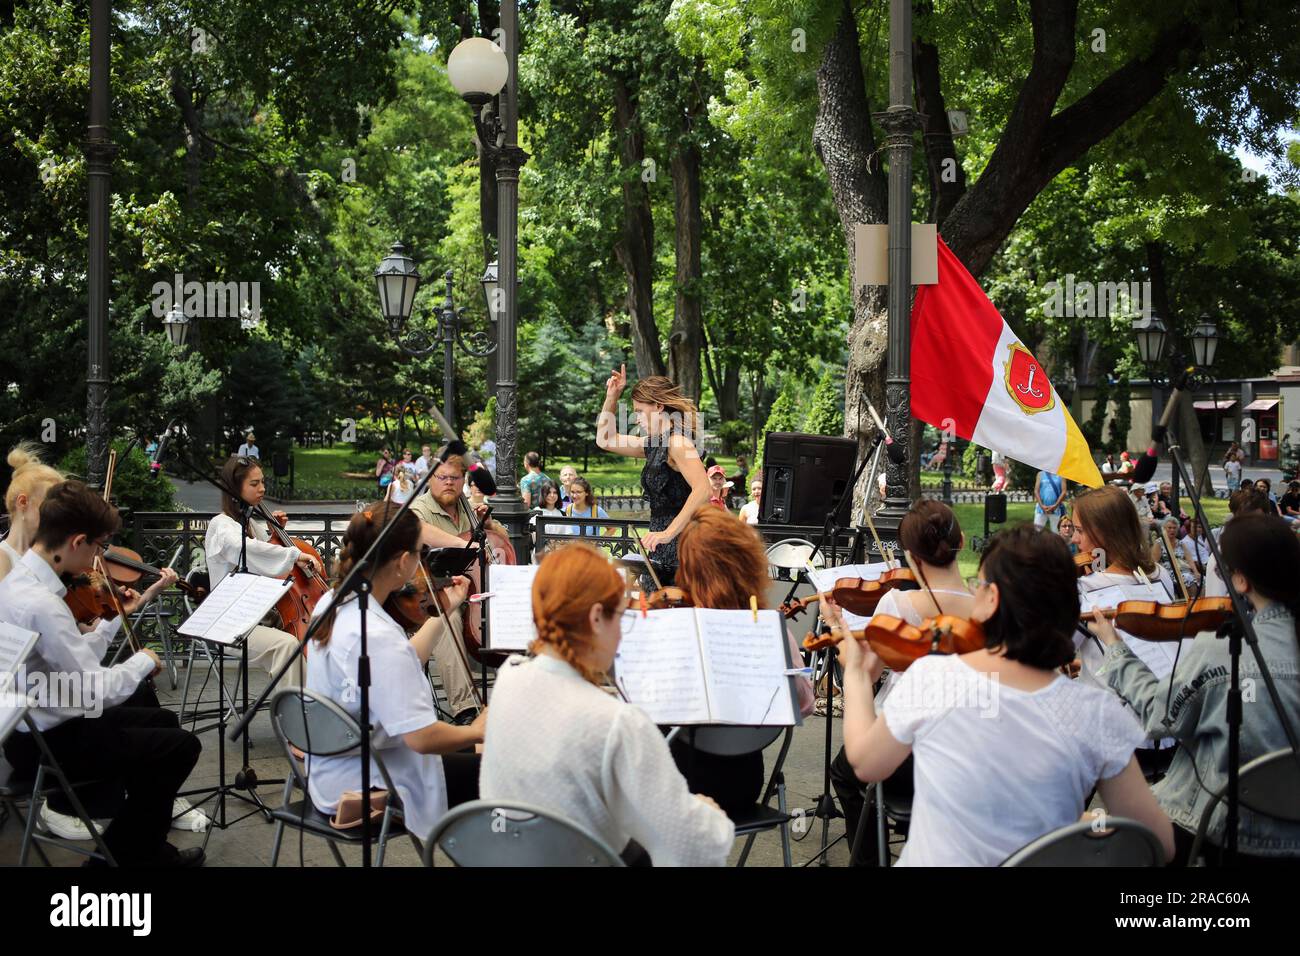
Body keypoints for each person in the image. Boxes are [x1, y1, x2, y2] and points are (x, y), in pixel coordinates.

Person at [833, 523, 1173, 866]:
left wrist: (858, 676)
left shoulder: (935, 678)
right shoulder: (1096, 711)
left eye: (978, 585)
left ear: (992, 599)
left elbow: (865, 763)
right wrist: (1081, 827)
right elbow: (1156, 841)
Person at [478, 543, 735, 865]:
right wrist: (712, 820)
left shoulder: (508, 677)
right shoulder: (617, 722)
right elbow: (688, 845)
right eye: (621, 617)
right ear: (597, 617)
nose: (622, 634)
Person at [0, 480, 204, 867]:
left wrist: (114, 620)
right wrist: (143, 660)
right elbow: (94, 688)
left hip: (31, 729)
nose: (99, 558)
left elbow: (71, 656)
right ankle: (120, 857)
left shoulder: (17, 584)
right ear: (77, 541)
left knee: (162, 721)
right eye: (98, 546)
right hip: (51, 743)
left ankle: (146, 843)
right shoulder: (43, 604)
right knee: (181, 747)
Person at [1095, 512, 1300, 865]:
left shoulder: (1220, 651)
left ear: (1241, 581)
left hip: (1216, 829)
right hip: (1292, 835)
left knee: (1100, 829)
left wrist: (1114, 648)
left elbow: (1161, 717)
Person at [305, 503, 484, 840]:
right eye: (421, 553)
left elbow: (397, 664)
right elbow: (421, 738)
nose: (423, 563)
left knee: (477, 753)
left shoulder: (332, 600)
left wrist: (444, 612)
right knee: (501, 768)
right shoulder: (374, 632)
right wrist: (477, 731)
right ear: (403, 562)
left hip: (336, 766)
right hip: (373, 779)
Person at [830, 499, 974, 865]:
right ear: (961, 540)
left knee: (845, 773)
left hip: (903, 754)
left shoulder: (897, 603)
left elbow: (867, 675)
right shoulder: (987, 606)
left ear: (911, 557)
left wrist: (838, 631)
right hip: (966, 751)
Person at [671, 507, 815, 819]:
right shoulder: (772, 631)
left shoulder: (674, 630)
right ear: (748, 565)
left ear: (687, 568)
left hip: (675, 789)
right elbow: (802, 706)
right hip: (742, 786)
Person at [1071, 485, 1181, 775]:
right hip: (1173, 720)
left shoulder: (1083, 590)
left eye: (1079, 530)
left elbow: (1055, 650)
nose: (1074, 539)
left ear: (1102, 534)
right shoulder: (1160, 575)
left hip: (1115, 734)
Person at [204, 456, 322, 689]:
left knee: (318, 639)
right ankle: (297, 716)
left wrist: (277, 534)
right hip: (231, 624)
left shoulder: (248, 524)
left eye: (262, 482)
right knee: (286, 645)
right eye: (254, 484)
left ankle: (317, 703)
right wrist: (295, 555)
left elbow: (266, 552)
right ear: (235, 489)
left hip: (259, 618)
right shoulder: (222, 526)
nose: (262, 488)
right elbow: (248, 550)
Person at [596, 365, 710, 586]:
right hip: (660, 545)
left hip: (683, 544)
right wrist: (612, 395)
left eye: (639, 411)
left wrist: (668, 533)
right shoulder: (654, 444)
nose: (636, 419)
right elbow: (605, 440)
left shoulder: (678, 442)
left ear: (658, 406)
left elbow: (703, 489)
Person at [407, 448, 498, 722]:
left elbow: (499, 540)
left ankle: (513, 697)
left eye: (455, 478)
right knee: (445, 617)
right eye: (442, 477)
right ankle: (466, 709)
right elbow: (416, 528)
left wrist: (490, 524)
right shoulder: (420, 507)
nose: (449, 482)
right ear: (430, 478)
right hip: (430, 594)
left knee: (512, 613)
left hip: (471, 590)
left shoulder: (468, 508)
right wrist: (463, 544)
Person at [529, 479, 566, 554]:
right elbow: (533, 537)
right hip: (540, 553)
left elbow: (568, 535)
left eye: (555, 493)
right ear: (543, 494)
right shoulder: (536, 512)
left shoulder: (562, 514)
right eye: (548, 493)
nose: (552, 495)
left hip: (559, 553)